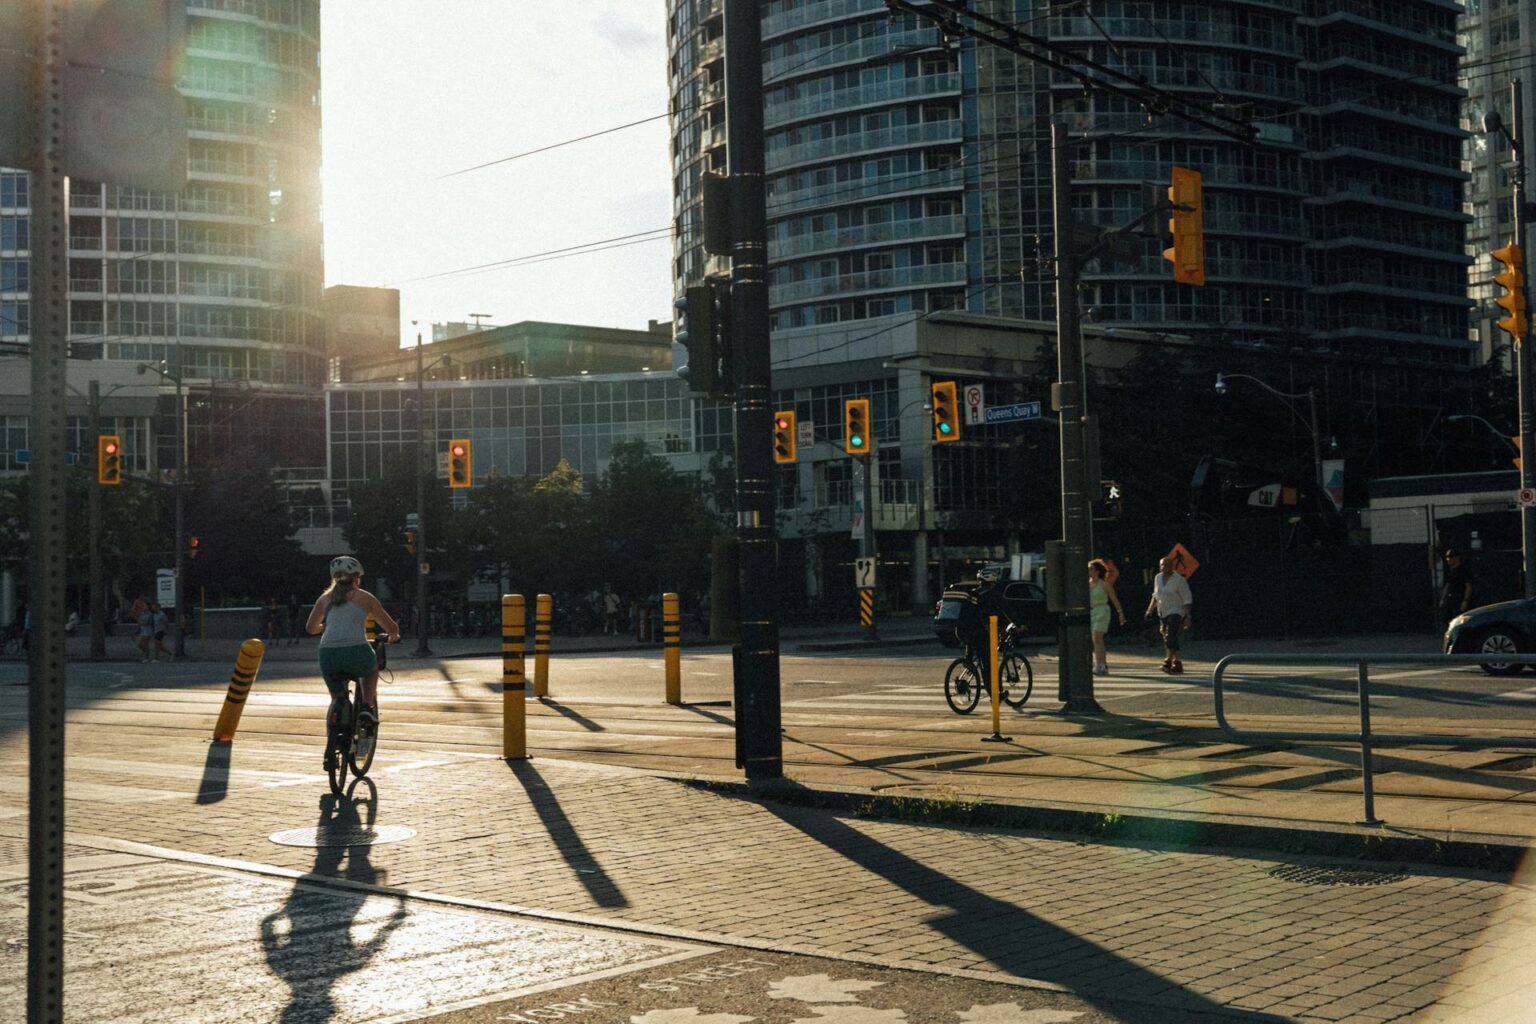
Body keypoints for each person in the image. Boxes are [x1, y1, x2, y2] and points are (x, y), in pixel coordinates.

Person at [306, 556, 400, 761]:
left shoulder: (324, 599)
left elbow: (310, 628)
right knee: (371, 667)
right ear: (356, 577)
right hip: (356, 650)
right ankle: (366, 707)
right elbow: (390, 626)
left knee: (337, 698)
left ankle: (332, 741)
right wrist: (393, 637)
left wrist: (324, 627)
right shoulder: (365, 597)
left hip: (328, 655)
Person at [1144, 556, 1193, 674]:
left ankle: (1167, 661)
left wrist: (1187, 616)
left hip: (1176, 611)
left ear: (1172, 566)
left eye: (1166, 565)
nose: (1163, 567)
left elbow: (1187, 599)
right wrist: (1149, 610)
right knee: (1168, 637)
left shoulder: (1179, 580)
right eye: (1162, 565)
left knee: (1170, 635)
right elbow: (1156, 596)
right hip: (1162, 611)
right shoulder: (1157, 578)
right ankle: (1177, 663)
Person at [1087, 559, 1127, 676]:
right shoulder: (1087, 585)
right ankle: (1102, 663)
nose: (1089, 571)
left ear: (1098, 571)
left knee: (1097, 637)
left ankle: (1100, 664)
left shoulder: (1104, 584)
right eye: (1088, 569)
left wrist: (1121, 613)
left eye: (1092, 569)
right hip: (1091, 612)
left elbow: (1114, 599)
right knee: (1096, 640)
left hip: (1102, 611)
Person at [1440, 549, 1474, 627]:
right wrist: (1443, 598)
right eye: (1447, 557)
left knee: (1459, 619)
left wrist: (1465, 600)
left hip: (1459, 597)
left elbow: (1468, 586)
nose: (1448, 559)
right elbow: (1448, 585)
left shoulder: (1463, 570)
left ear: (1457, 558)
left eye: (1451, 557)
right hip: (1450, 597)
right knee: (1446, 618)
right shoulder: (1450, 571)